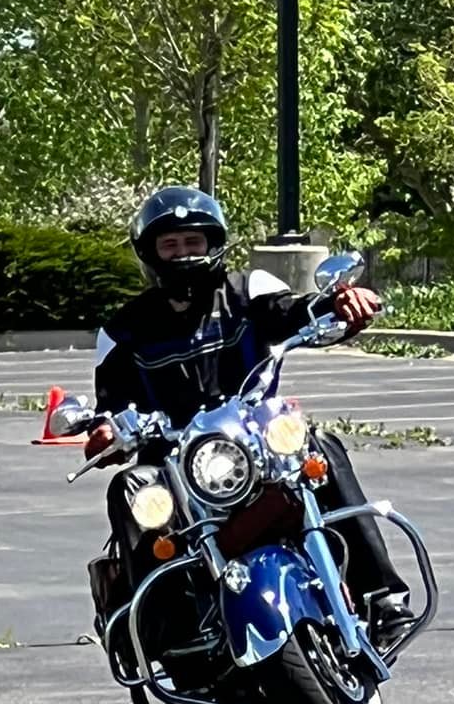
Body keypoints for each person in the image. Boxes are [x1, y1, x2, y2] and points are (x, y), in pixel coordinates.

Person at [84, 186, 412, 654]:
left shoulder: (247, 290)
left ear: (212, 243)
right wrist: (104, 431)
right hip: (177, 463)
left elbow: (295, 311)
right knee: (131, 488)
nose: (183, 253)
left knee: (319, 447)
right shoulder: (122, 329)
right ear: (150, 254)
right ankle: (162, 629)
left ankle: (382, 596)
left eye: (192, 241)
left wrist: (338, 304)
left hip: (255, 439)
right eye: (170, 245)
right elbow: (111, 406)